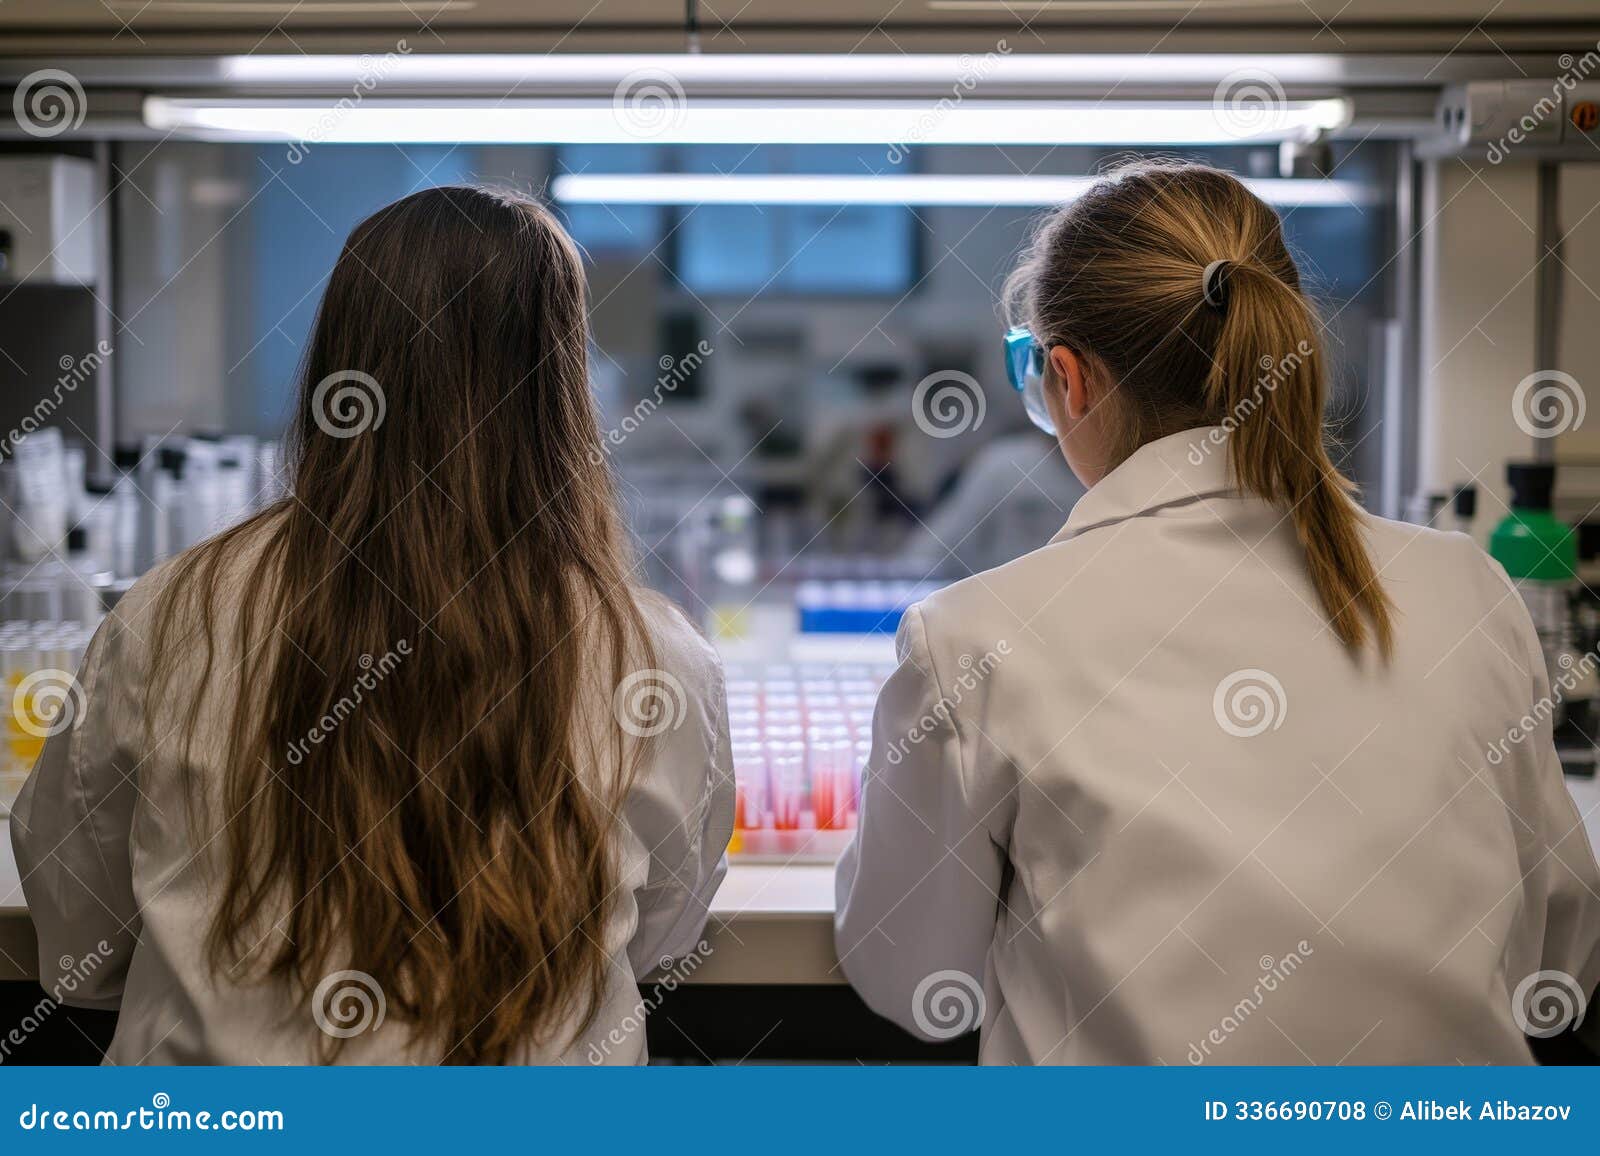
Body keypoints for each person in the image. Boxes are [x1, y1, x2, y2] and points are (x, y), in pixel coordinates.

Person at [835, 162, 1600, 1065]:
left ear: (1069, 380)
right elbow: (1562, 958)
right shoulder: (1466, 590)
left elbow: (916, 982)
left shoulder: (977, 637)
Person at [11, 186, 733, 1065]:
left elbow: (78, 947)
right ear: (560, 387)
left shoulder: (171, 616)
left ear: (339, 364)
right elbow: (660, 940)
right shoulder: (651, 656)